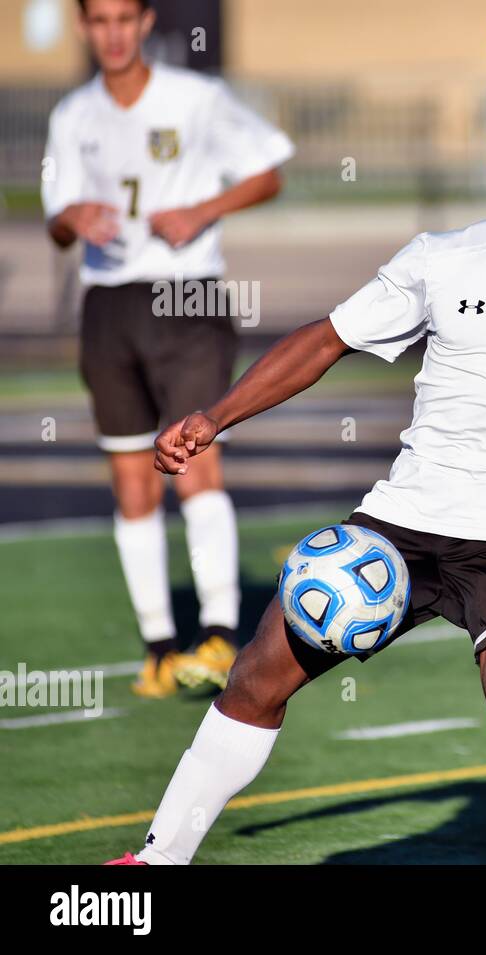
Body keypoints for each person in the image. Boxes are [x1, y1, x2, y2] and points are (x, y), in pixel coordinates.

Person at [106, 81, 486, 865]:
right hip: (404, 516)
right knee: (258, 670)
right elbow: (325, 339)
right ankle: (155, 862)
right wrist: (214, 415)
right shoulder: (443, 258)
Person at [41, 0, 294, 696]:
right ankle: (158, 645)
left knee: (195, 460)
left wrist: (203, 209)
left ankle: (218, 636)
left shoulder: (198, 98)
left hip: (188, 298)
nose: (114, 33)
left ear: (147, 22)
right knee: (131, 481)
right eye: (100, 21)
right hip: (108, 304)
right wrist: (72, 216)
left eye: (126, 18)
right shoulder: (72, 116)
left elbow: (271, 169)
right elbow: (56, 222)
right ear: (84, 27)